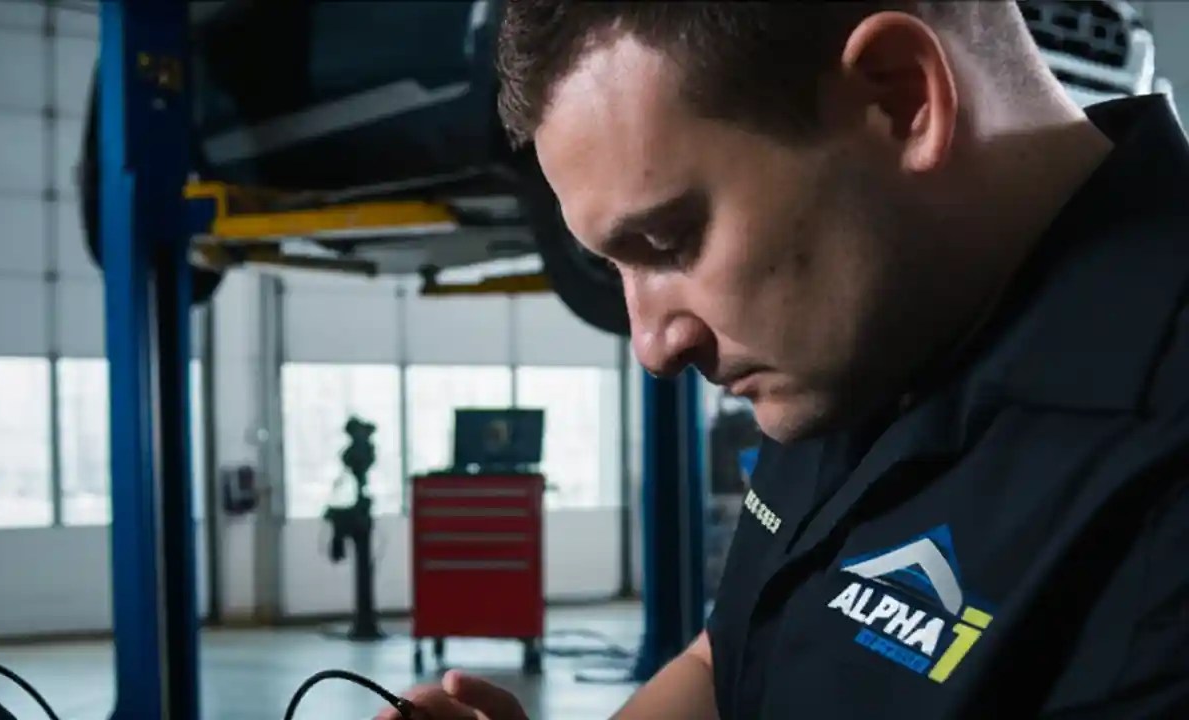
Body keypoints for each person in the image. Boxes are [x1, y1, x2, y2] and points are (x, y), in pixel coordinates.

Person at [379, 1, 1189, 717]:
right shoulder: (873, 318)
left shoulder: (1160, 475)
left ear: (899, 98)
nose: (655, 346)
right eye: (611, 265)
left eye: (668, 242)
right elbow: (726, 661)